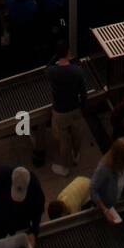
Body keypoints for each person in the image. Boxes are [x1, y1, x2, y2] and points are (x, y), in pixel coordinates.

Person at [0, 166, 45, 248]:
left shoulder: (35, 188)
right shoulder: (1, 176)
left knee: (19, 241)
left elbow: (37, 212)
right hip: (0, 214)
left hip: (22, 217)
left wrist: (33, 232)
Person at [47, 40, 87, 175]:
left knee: (64, 139)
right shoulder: (77, 71)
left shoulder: (52, 71)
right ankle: (76, 155)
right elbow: (83, 92)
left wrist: (56, 56)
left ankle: (65, 167)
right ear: (68, 52)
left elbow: (49, 66)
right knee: (77, 134)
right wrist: (83, 106)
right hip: (74, 108)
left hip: (60, 111)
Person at [5, 0, 39, 67]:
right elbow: (35, 10)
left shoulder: (9, 0)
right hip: (28, 30)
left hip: (15, 29)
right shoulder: (31, 3)